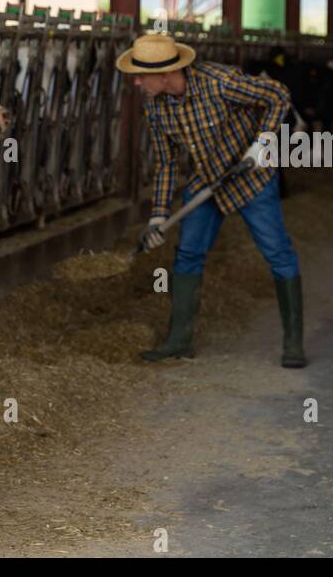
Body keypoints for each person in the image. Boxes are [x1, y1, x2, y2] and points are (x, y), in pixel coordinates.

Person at [118, 32, 305, 368]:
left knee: (277, 252)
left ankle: (293, 343)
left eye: (141, 76)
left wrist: (263, 142)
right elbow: (166, 165)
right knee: (187, 254)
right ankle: (179, 340)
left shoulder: (219, 82)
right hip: (208, 182)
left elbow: (278, 94)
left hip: (252, 179)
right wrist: (158, 217)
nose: (136, 83)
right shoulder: (156, 111)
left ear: (164, 74)